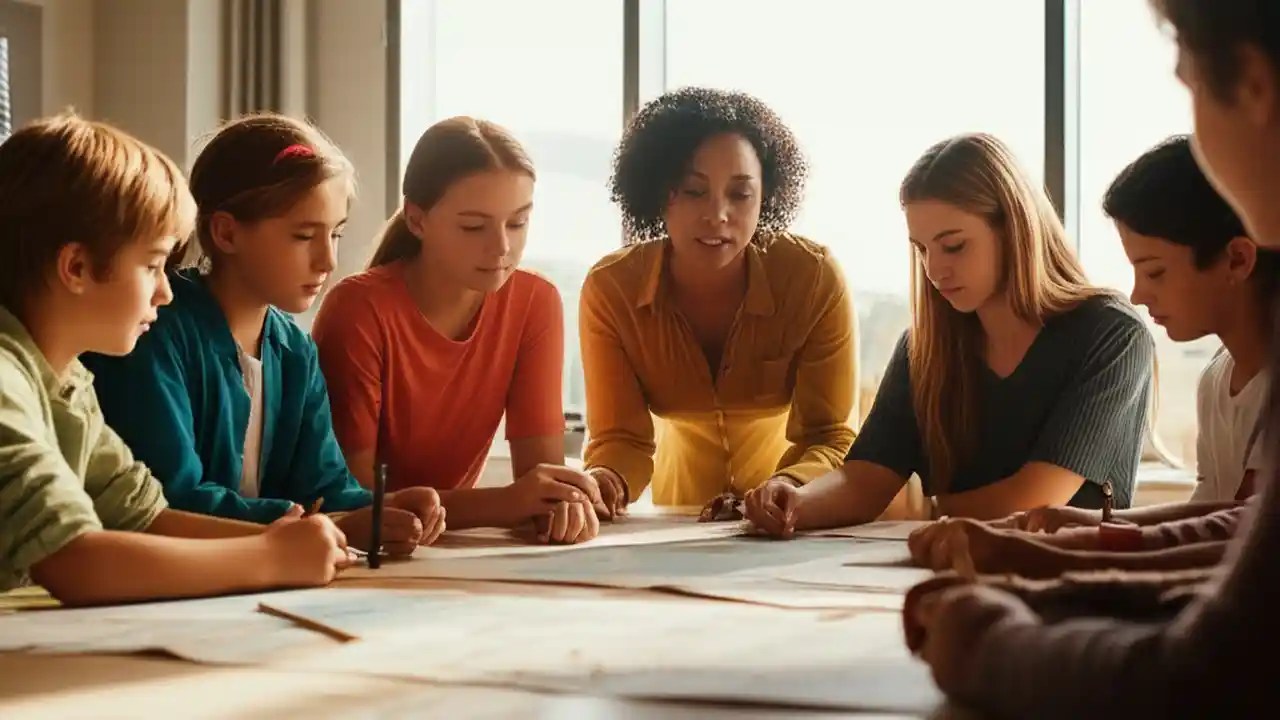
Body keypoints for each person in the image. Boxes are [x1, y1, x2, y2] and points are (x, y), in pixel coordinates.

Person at [906, 2, 1280, 716]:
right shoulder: (1218, 375)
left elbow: (1216, 664)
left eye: (1189, 85)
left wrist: (986, 637)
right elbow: (1242, 545)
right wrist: (1054, 570)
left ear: (1255, 87)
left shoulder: (1107, 334)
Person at [0, 114, 349, 606]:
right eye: (151, 265)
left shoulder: (68, 380)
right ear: (75, 267)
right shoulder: (4, 379)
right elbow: (74, 561)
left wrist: (290, 540)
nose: (166, 292)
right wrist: (269, 558)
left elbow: (145, 515)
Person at [745, 133, 1154, 536]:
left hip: (1066, 582)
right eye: (922, 249)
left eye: (954, 246)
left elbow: (1035, 500)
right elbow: (864, 480)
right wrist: (796, 500)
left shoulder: (1112, 336)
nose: (934, 270)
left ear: (1014, 230)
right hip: (937, 567)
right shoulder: (922, 349)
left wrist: (924, 508)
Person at [84, 114, 446, 555]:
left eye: (335, 234)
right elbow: (171, 500)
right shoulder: (155, 330)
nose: (327, 260)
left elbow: (326, 487)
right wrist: (323, 524)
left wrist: (383, 509)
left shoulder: (295, 352)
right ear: (226, 232)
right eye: (302, 236)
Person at [914, 136, 1275, 577]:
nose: (1139, 294)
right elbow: (1211, 516)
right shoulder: (1218, 379)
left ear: (1237, 260)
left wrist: (1058, 550)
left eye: (1155, 272)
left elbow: (1248, 529)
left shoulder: (1112, 335)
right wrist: (1092, 523)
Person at [312, 117, 600, 545]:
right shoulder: (359, 309)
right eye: (473, 227)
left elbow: (539, 484)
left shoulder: (535, 302)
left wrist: (564, 505)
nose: (502, 247)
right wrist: (505, 504)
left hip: (448, 553)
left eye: (518, 223)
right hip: (355, 551)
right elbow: (354, 501)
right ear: (417, 220)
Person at [579, 87, 857, 515]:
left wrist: (788, 485)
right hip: (679, 516)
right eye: (693, 191)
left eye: (740, 194)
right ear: (658, 193)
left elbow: (831, 435)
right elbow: (620, 440)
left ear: (767, 195)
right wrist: (603, 483)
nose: (718, 214)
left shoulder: (812, 277)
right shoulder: (610, 289)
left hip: (794, 512)